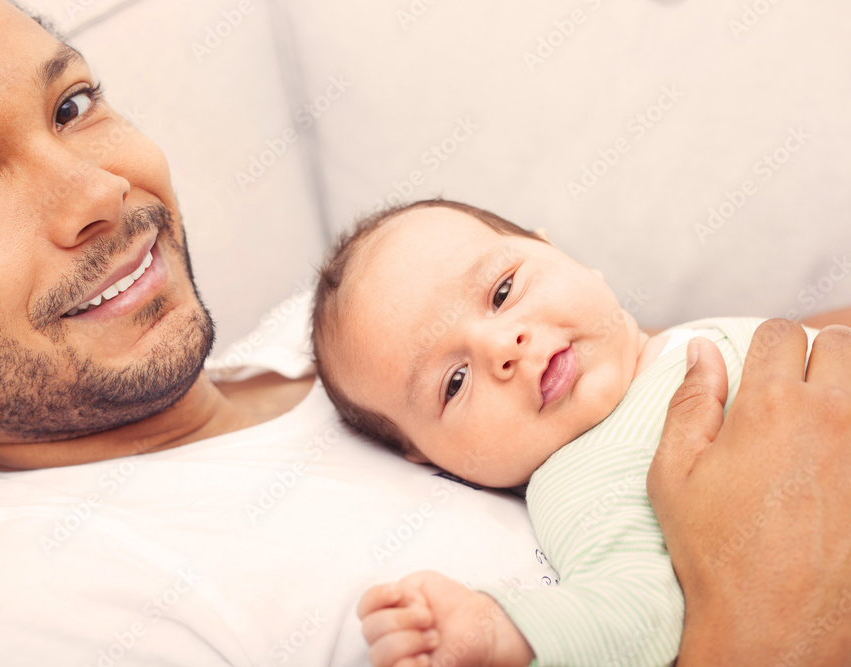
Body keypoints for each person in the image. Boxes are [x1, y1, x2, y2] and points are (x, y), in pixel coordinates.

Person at [0, 1, 851, 665]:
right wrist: (772, 624)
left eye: (72, 104)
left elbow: (701, 380)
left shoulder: (341, 340)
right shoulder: (29, 613)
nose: (98, 194)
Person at [310, 199, 846, 666]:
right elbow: (637, 614)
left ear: (561, 253)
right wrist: (499, 628)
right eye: (454, 382)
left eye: (502, 291)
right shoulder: (581, 478)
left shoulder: (685, 339)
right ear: (429, 458)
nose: (503, 345)